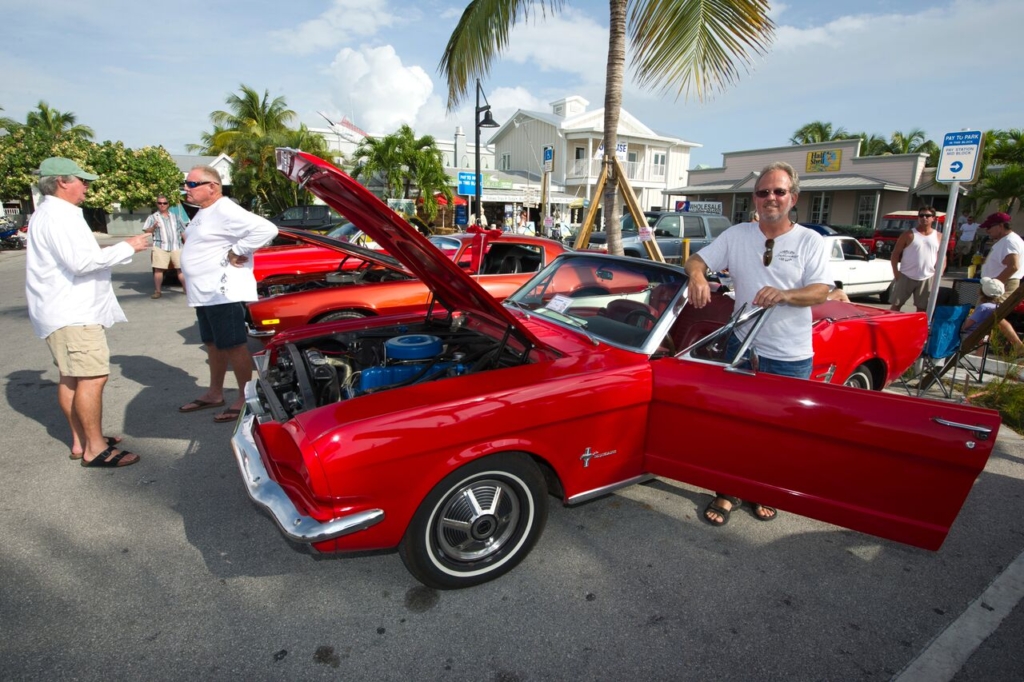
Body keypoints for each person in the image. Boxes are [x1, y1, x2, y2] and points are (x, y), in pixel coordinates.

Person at [684, 161, 830, 526]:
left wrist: (784, 294)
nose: (771, 198)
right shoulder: (737, 235)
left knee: (778, 433)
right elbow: (696, 259)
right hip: (742, 349)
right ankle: (727, 491)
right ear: (755, 197)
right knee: (736, 427)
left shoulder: (811, 240)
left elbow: (820, 291)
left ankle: (763, 489)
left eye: (779, 191)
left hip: (791, 355)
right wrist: (698, 275)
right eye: (764, 191)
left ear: (793, 198)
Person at [25, 157, 150, 467]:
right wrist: (128, 247)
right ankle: (95, 448)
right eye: (82, 180)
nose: (86, 186)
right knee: (93, 377)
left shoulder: (52, 214)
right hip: (72, 313)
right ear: (63, 182)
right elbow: (81, 262)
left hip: (63, 311)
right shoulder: (58, 217)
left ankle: (82, 440)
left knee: (72, 377)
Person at [177, 166, 278, 423]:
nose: (186, 188)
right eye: (186, 184)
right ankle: (215, 393)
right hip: (206, 294)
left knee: (233, 346)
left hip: (223, 292)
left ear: (213, 186)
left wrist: (238, 250)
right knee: (213, 344)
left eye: (192, 184)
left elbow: (267, 229)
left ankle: (246, 397)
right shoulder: (203, 212)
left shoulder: (225, 209)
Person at [977, 212, 1024, 349]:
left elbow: (1013, 265)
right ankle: (979, 352)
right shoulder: (1006, 241)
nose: (987, 231)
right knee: (988, 317)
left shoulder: (1009, 241)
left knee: (989, 314)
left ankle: (1018, 346)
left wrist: (995, 284)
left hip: (1002, 284)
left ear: (1001, 226)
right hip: (999, 283)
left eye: (990, 227)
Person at [889, 208, 941, 312]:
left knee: (922, 308)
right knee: (896, 306)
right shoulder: (908, 235)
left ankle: (918, 328)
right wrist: (896, 272)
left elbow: (942, 257)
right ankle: (890, 326)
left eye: (927, 216)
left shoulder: (939, 236)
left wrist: (939, 275)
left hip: (927, 276)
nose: (924, 218)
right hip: (906, 275)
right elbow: (895, 254)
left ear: (933, 218)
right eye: (921, 215)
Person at [142, 194, 187, 299]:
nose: (162, 205)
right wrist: (153, 227)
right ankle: (158, 291)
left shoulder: (176, 217)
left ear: (168, 204)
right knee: (158, 269)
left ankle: (186, 289)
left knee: (180, 269)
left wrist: (188, 244)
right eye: (160, 203)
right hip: (160, 246)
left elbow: (183, 232)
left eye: (164, 203)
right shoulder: (152, 218)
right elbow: (146, 231)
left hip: (176, 246)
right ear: (157, 204)